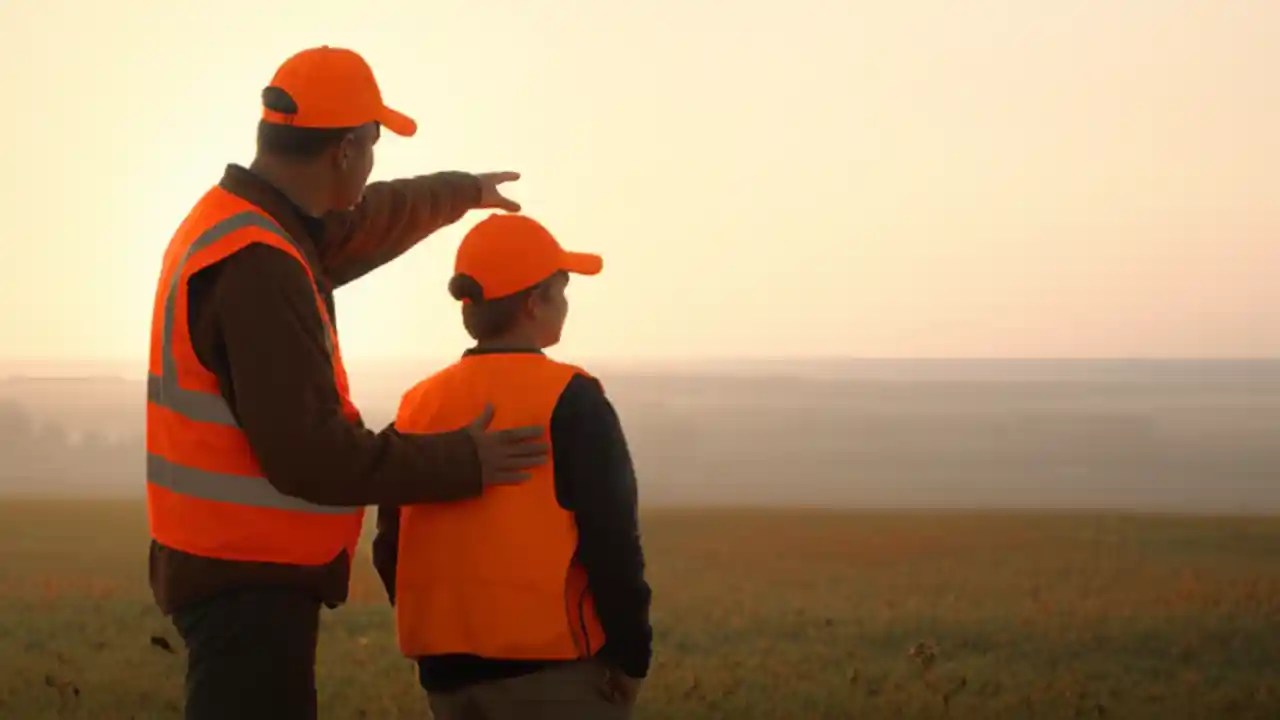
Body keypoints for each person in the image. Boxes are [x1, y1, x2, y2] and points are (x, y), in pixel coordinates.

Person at [145, 46, 550, 720]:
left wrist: (461, 193)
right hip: (247, 584)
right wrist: (463, 461)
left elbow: (363, 224)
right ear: (346, 150)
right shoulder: (258, 266)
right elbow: (314, 456)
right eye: (373, 143)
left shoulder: (242, 223)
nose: (373, 161)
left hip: (230, 571)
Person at [373, 213, 653, 720]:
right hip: (554, 678)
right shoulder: (571, 399)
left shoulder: (417, 404)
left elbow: (388, 545)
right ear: (533, 303)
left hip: (448, 683)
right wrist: (633, 659)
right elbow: (613, 542)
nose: (566, 305)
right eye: (561, 290)